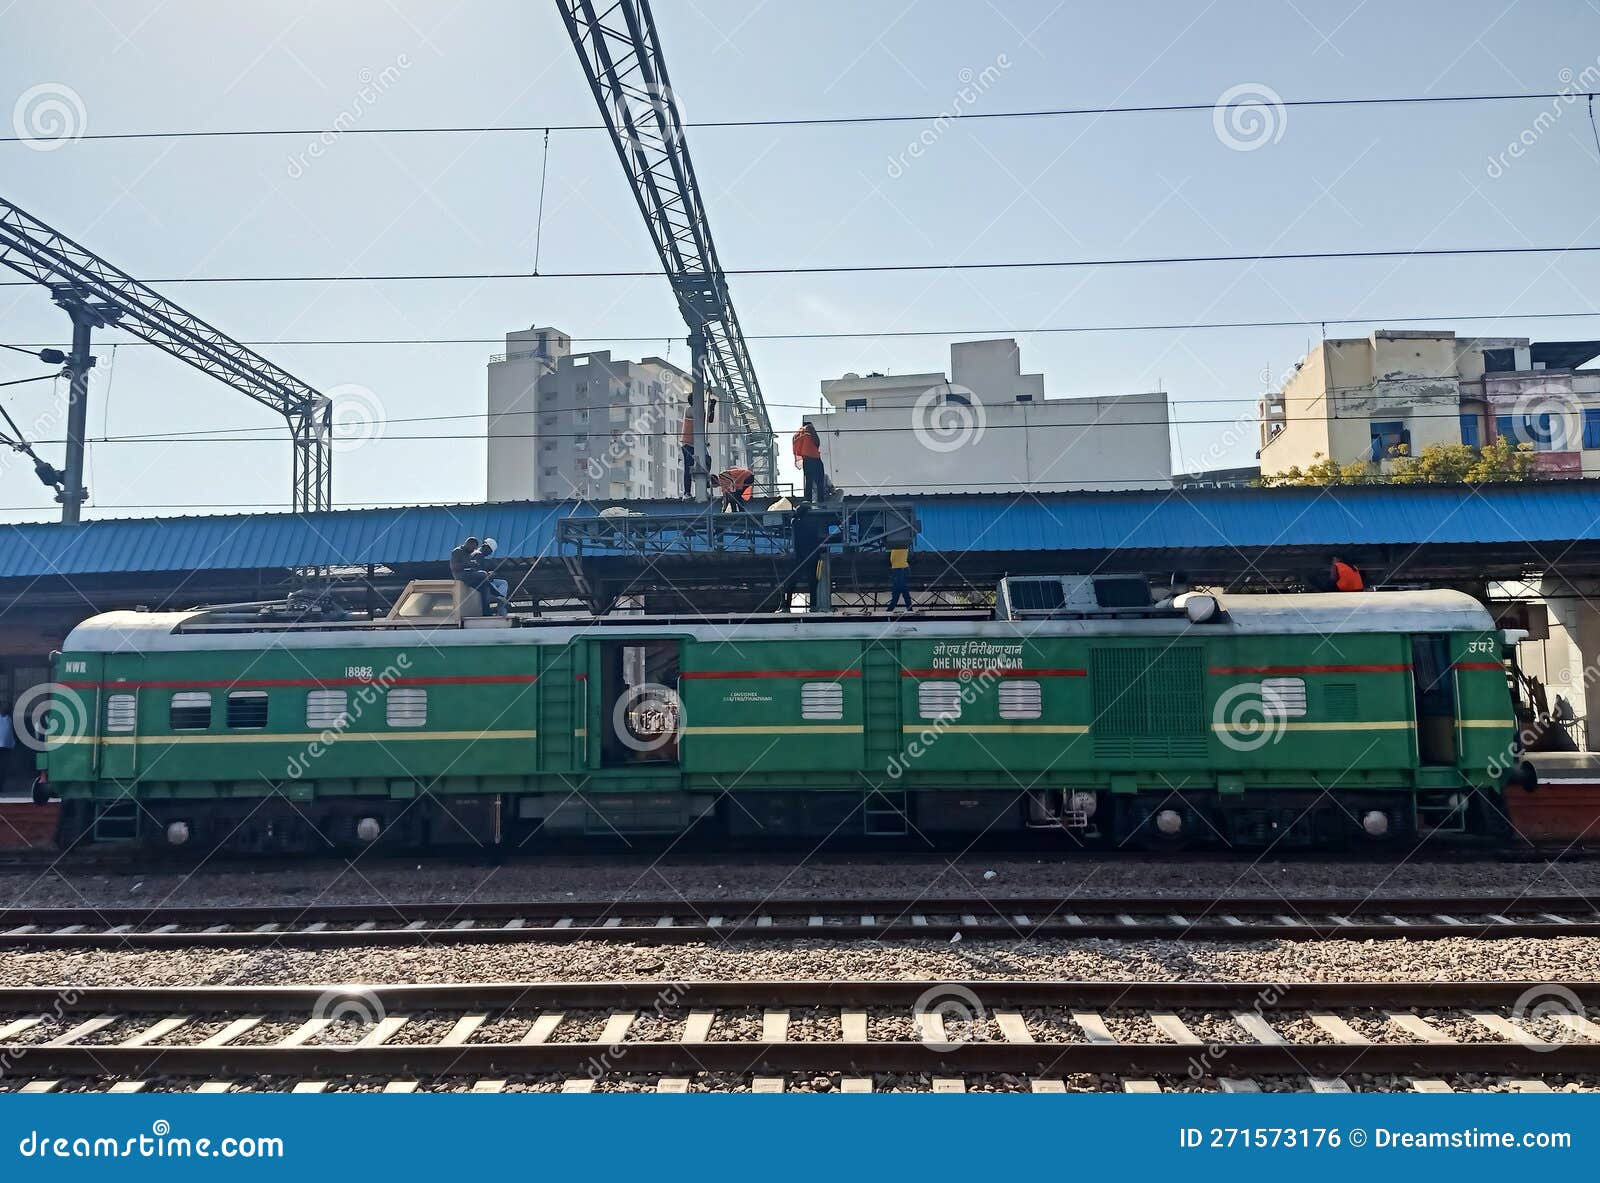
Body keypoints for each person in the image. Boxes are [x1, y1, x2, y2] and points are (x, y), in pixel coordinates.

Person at [793, 422, 825, 503]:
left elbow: (797, 448)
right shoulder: (810, 430)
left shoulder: (799, 434)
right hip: (815, 458)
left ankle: (808, 500)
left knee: (808, 481)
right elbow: (817, 442)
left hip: (806, 460)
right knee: (820, 480)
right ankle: (821, 500)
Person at [887, 544, 912, 613]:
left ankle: (890, 609)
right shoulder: (902, 545)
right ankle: (909, 609)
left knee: (899, 590)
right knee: (902, 590)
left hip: (898, 569)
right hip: (899, 569)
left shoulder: (897, 545)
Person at [679, 412, 697, 499]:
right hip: (690, 443)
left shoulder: (691, 410)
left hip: (691, 443)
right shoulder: (691, 410)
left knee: (690, 468)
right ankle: (687, 492)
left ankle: (688, 492)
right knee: (689, 468)